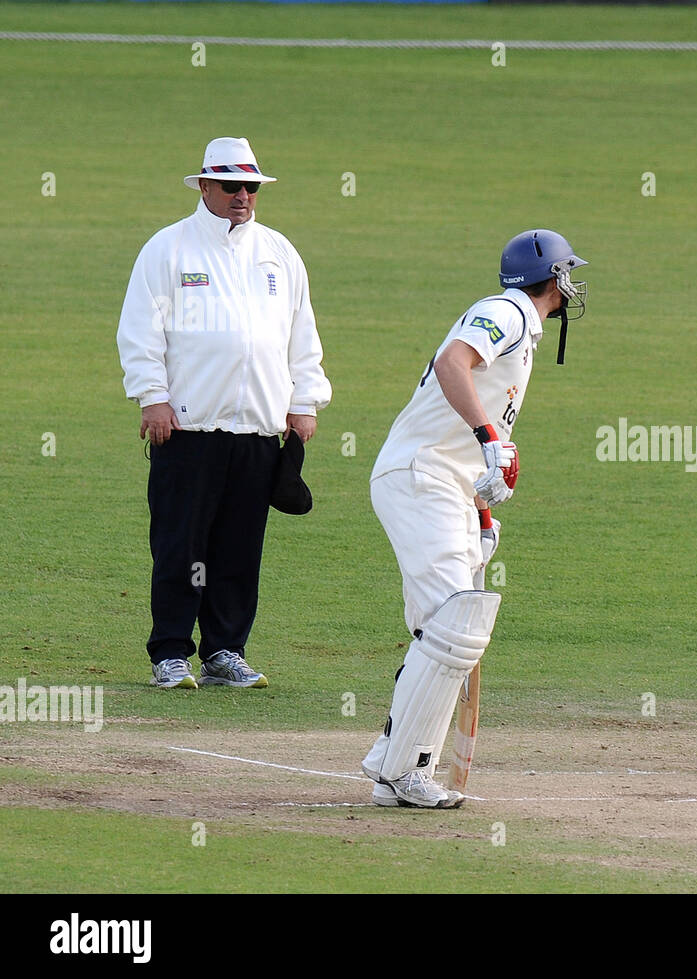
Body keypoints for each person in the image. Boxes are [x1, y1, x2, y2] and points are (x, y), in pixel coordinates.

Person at [362, 229, 587, 808]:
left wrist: (482, 510)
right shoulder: (505, 311)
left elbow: (487, 435)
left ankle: (396, 759)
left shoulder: (522, 330)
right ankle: (402, 769)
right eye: (569, 274)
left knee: (442, 632)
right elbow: (451, 363)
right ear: (555, 278)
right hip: (421, 475)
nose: (574, 285)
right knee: (453, 627)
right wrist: (487, 436)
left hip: (449, 487)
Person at [117, 137, 332, 690]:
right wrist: (151, 395)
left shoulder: (278, 252)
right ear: (205, 186)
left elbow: (300, 332)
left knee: (238, 548)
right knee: (180, 545)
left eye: (252, 187)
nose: (243, 196)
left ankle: (224, 652)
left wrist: (303, 400)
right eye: (232, 186)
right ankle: (170, 652)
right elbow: (141, 330)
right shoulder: (169, 249)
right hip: (187, 425)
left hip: (258, 427)